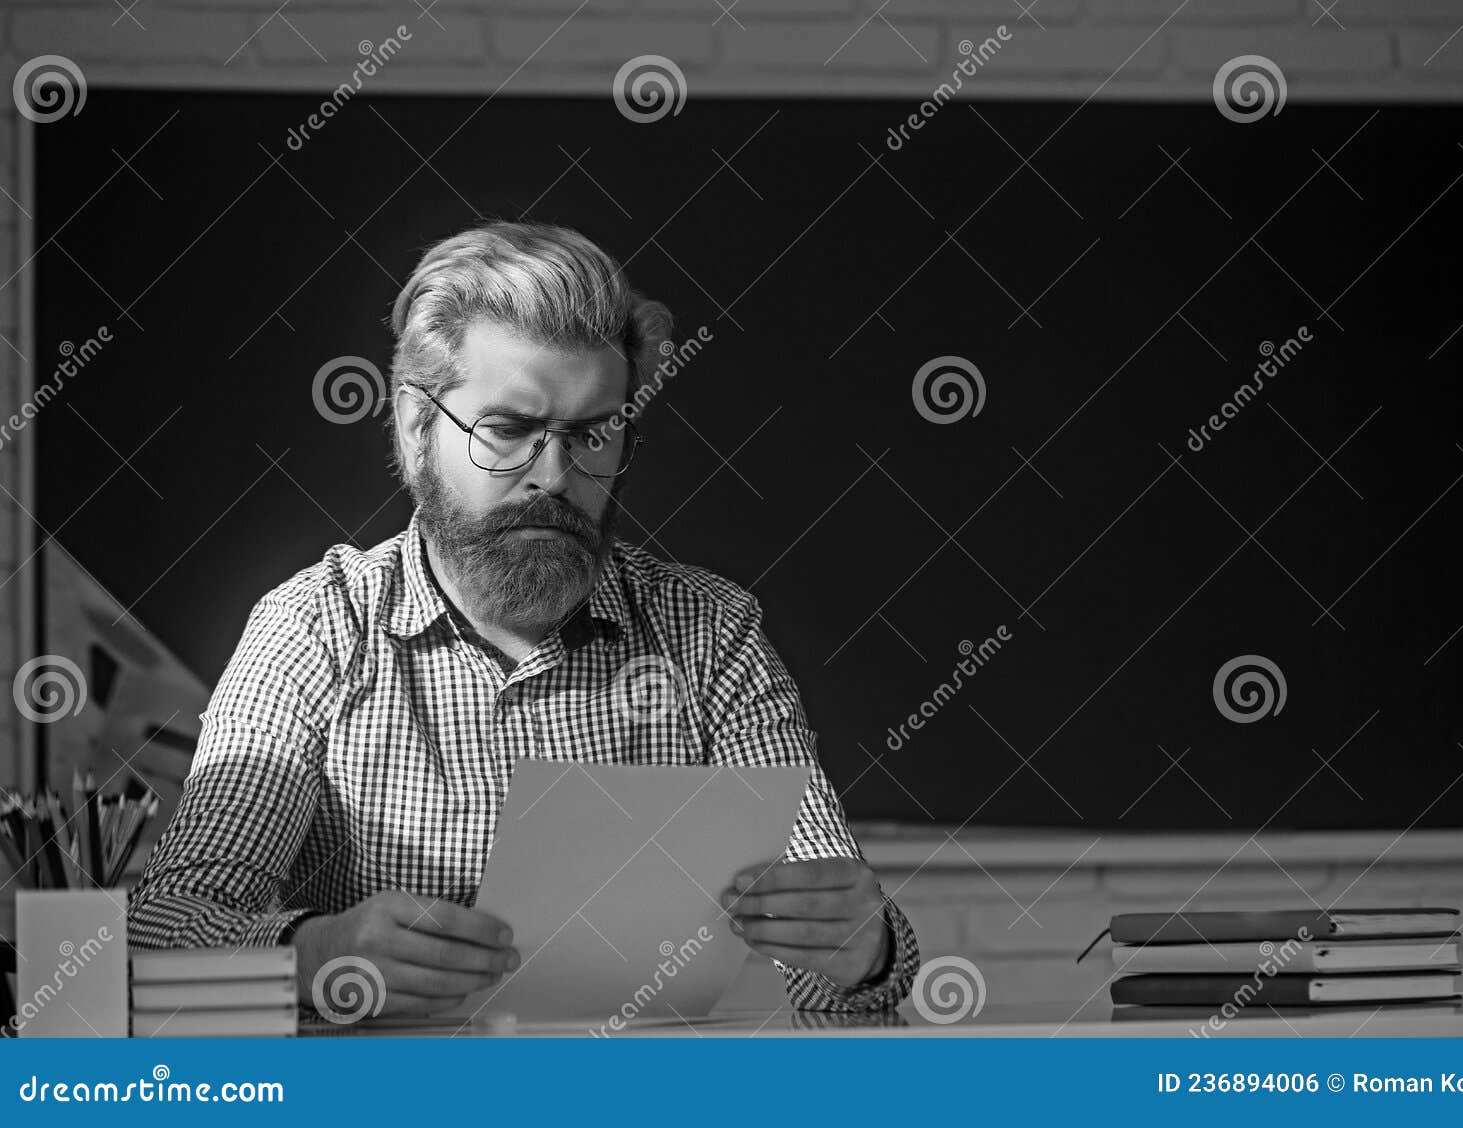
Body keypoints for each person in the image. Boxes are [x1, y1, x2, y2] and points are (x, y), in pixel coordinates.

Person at [127, 220, 920, 1018]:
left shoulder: (710, 634)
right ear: (415, 426)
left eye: (592, 433)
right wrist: (315, 953)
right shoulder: (316, 627)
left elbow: (842, 966)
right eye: (508, 430)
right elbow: (160, 929)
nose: (554, 476)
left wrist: (862, 950)